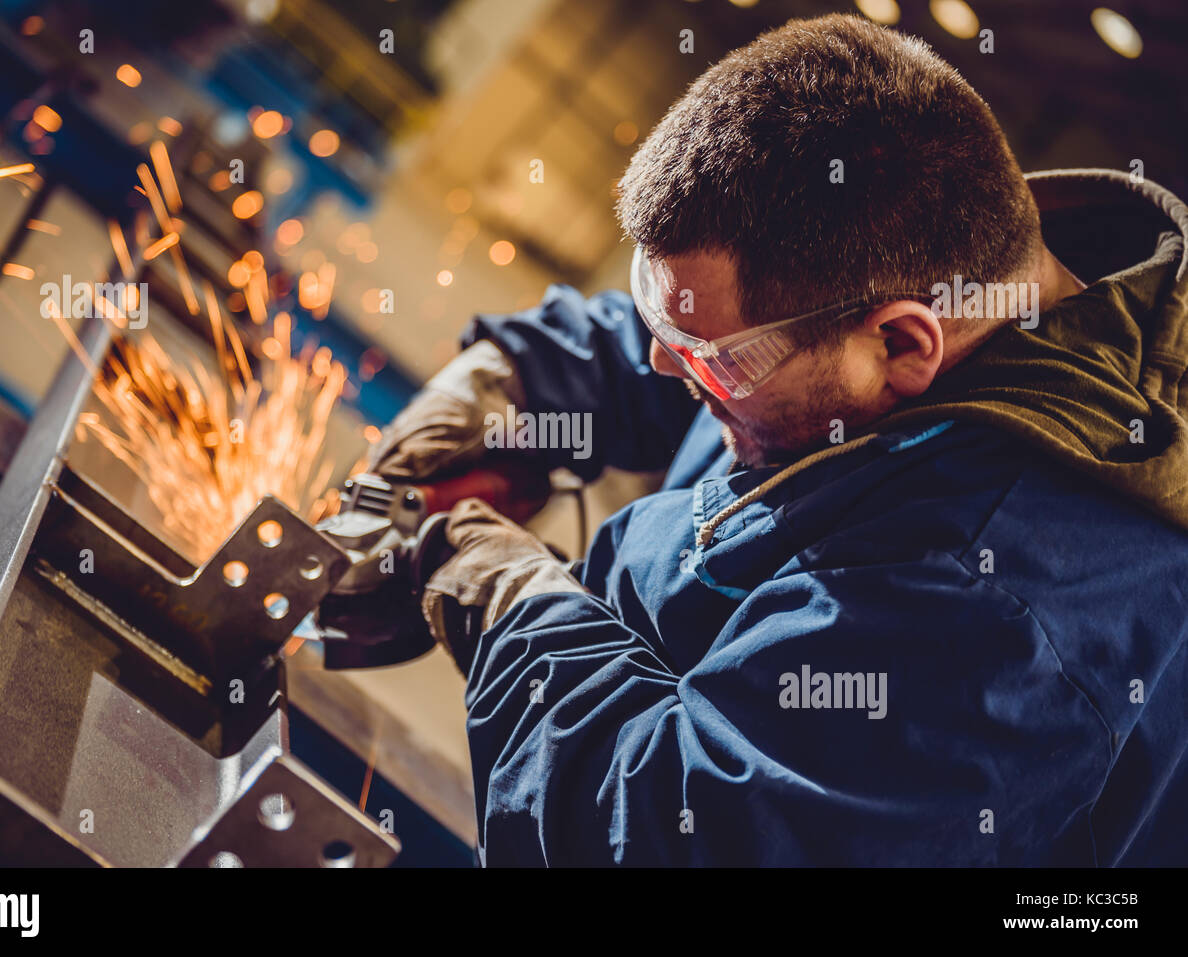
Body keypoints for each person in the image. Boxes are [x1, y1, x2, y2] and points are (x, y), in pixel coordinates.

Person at [369, 14, 1188, 865]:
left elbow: (669, 835)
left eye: (707, 364)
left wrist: (515, 610)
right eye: (659, 323)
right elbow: (709, 331)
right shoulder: (945, 270)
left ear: (902, 346)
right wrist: (527, 379)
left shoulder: (997, 605)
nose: (665, 368)